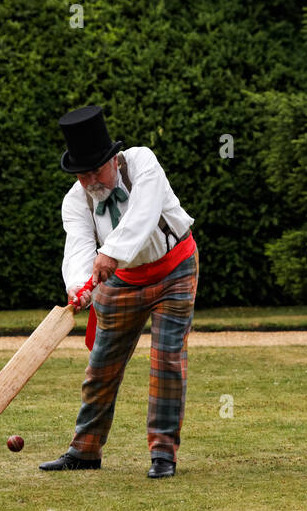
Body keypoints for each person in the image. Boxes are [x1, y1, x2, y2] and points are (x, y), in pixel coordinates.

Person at [39, 104, 198, 478]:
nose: (93, 180)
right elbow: (78, 248)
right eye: (83, 174)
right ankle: (85, 450)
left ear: (114, 158)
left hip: (173, 270)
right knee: (101, 366)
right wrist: (79, 287)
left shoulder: (143, 163)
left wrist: (112, 251)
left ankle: (163, 454)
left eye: (98, 169)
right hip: (121, 283)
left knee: (167, 361)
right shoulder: (75, 201)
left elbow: (143, 214)